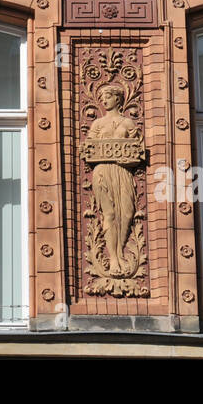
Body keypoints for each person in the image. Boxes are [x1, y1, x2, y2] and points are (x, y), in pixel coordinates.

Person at [88, 83, 143, 274]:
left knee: (127, 212)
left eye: (107, 97)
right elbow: (89, 149)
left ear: (118, 99)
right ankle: (113, 259)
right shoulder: (97, 124)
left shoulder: (128, 124)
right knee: (109, 213)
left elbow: (137, 150)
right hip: (103, 171)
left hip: (123, 171)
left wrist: (128, 158)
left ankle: (120, 251)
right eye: (102, 97)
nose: (104, 100)